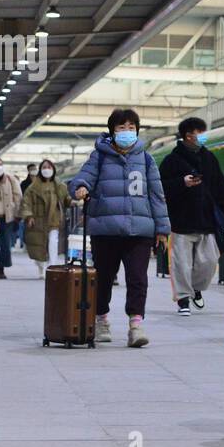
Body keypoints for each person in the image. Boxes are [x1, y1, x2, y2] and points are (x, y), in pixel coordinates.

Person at [68, 109, 170, 348]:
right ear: (112, 131)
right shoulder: (100, 156)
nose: (127, 132)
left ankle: (136, 326)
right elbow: (82, 177)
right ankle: (101, 320)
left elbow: (157, 195)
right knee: (102, 279)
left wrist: (163, 228)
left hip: (140, 230)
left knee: (137, 279)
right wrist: (81, 187)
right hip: (106, 229)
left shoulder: (146, 159)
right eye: (121, 128)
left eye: (131, 127)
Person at [159, 117, 224, 315]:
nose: (202, 136)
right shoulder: (171, 161)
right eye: (199, 132)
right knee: (181, 264)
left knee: (208, 262)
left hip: (207, 220)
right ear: (188, 136)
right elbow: (160, 188)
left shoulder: (209, 158)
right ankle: (183, 299)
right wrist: (182, 183)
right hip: (180, 222)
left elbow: (220, 186)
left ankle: (196, 288)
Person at [21, 158, 69, 275]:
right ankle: (40, 265)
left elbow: (66, 199)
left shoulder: (59, 186)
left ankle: (52, 266)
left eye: (49, 167)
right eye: (44, 167)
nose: (47, 170)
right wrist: (29, 216)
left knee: (53, 241)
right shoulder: (33, 187)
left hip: (54, 219)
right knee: (39, 244)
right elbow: (26, 202)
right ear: (40, 170)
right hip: (38, 220)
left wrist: (73, 201)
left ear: (53, 169)